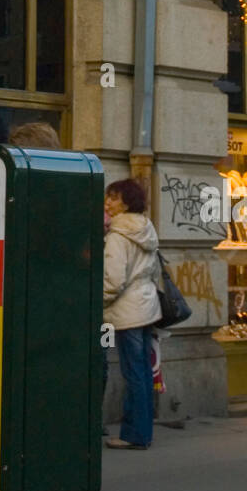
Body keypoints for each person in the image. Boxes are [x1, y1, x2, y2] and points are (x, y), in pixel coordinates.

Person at [4, 121, 87, 491]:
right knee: (32, 422)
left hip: (61, 324)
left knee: (56, 421)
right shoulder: (37, 193)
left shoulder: (66, 196)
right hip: (36, 319)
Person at [103, 177, 161, 450]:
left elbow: (113, 281)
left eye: (113, 198)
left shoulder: (117, 236)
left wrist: (98, 302)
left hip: (127, 311)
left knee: (133, 372)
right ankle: (143, 431)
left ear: (125, 202)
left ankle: (133, 435)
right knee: (143, 372)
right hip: (147, 307)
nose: (107, 203)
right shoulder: (146, 229)